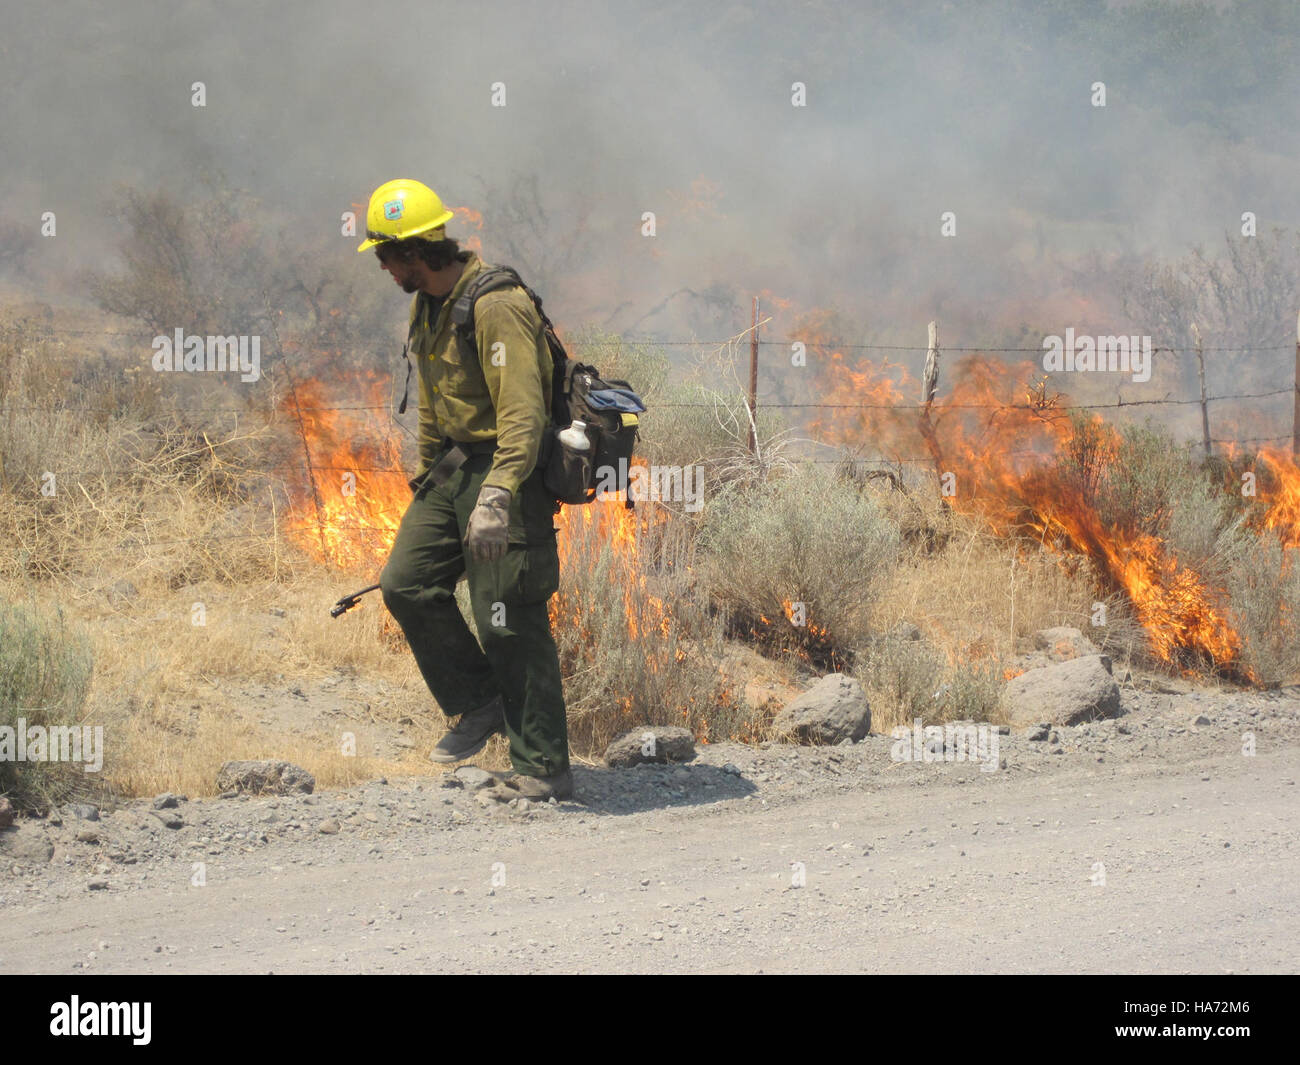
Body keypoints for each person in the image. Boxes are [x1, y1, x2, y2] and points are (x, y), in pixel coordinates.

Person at [358, 178, 572, 802]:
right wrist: (427, 480)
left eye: (387, 255)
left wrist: (500, 494)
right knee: (405, 582)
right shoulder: (426, 300)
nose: (381, 266)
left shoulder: (495, 303)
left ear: (417, 250)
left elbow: (524, 415)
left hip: (506, 468)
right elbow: (433, 402)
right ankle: (481, 701)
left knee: (508, 617)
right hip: (452, 471)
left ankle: (543, 767)